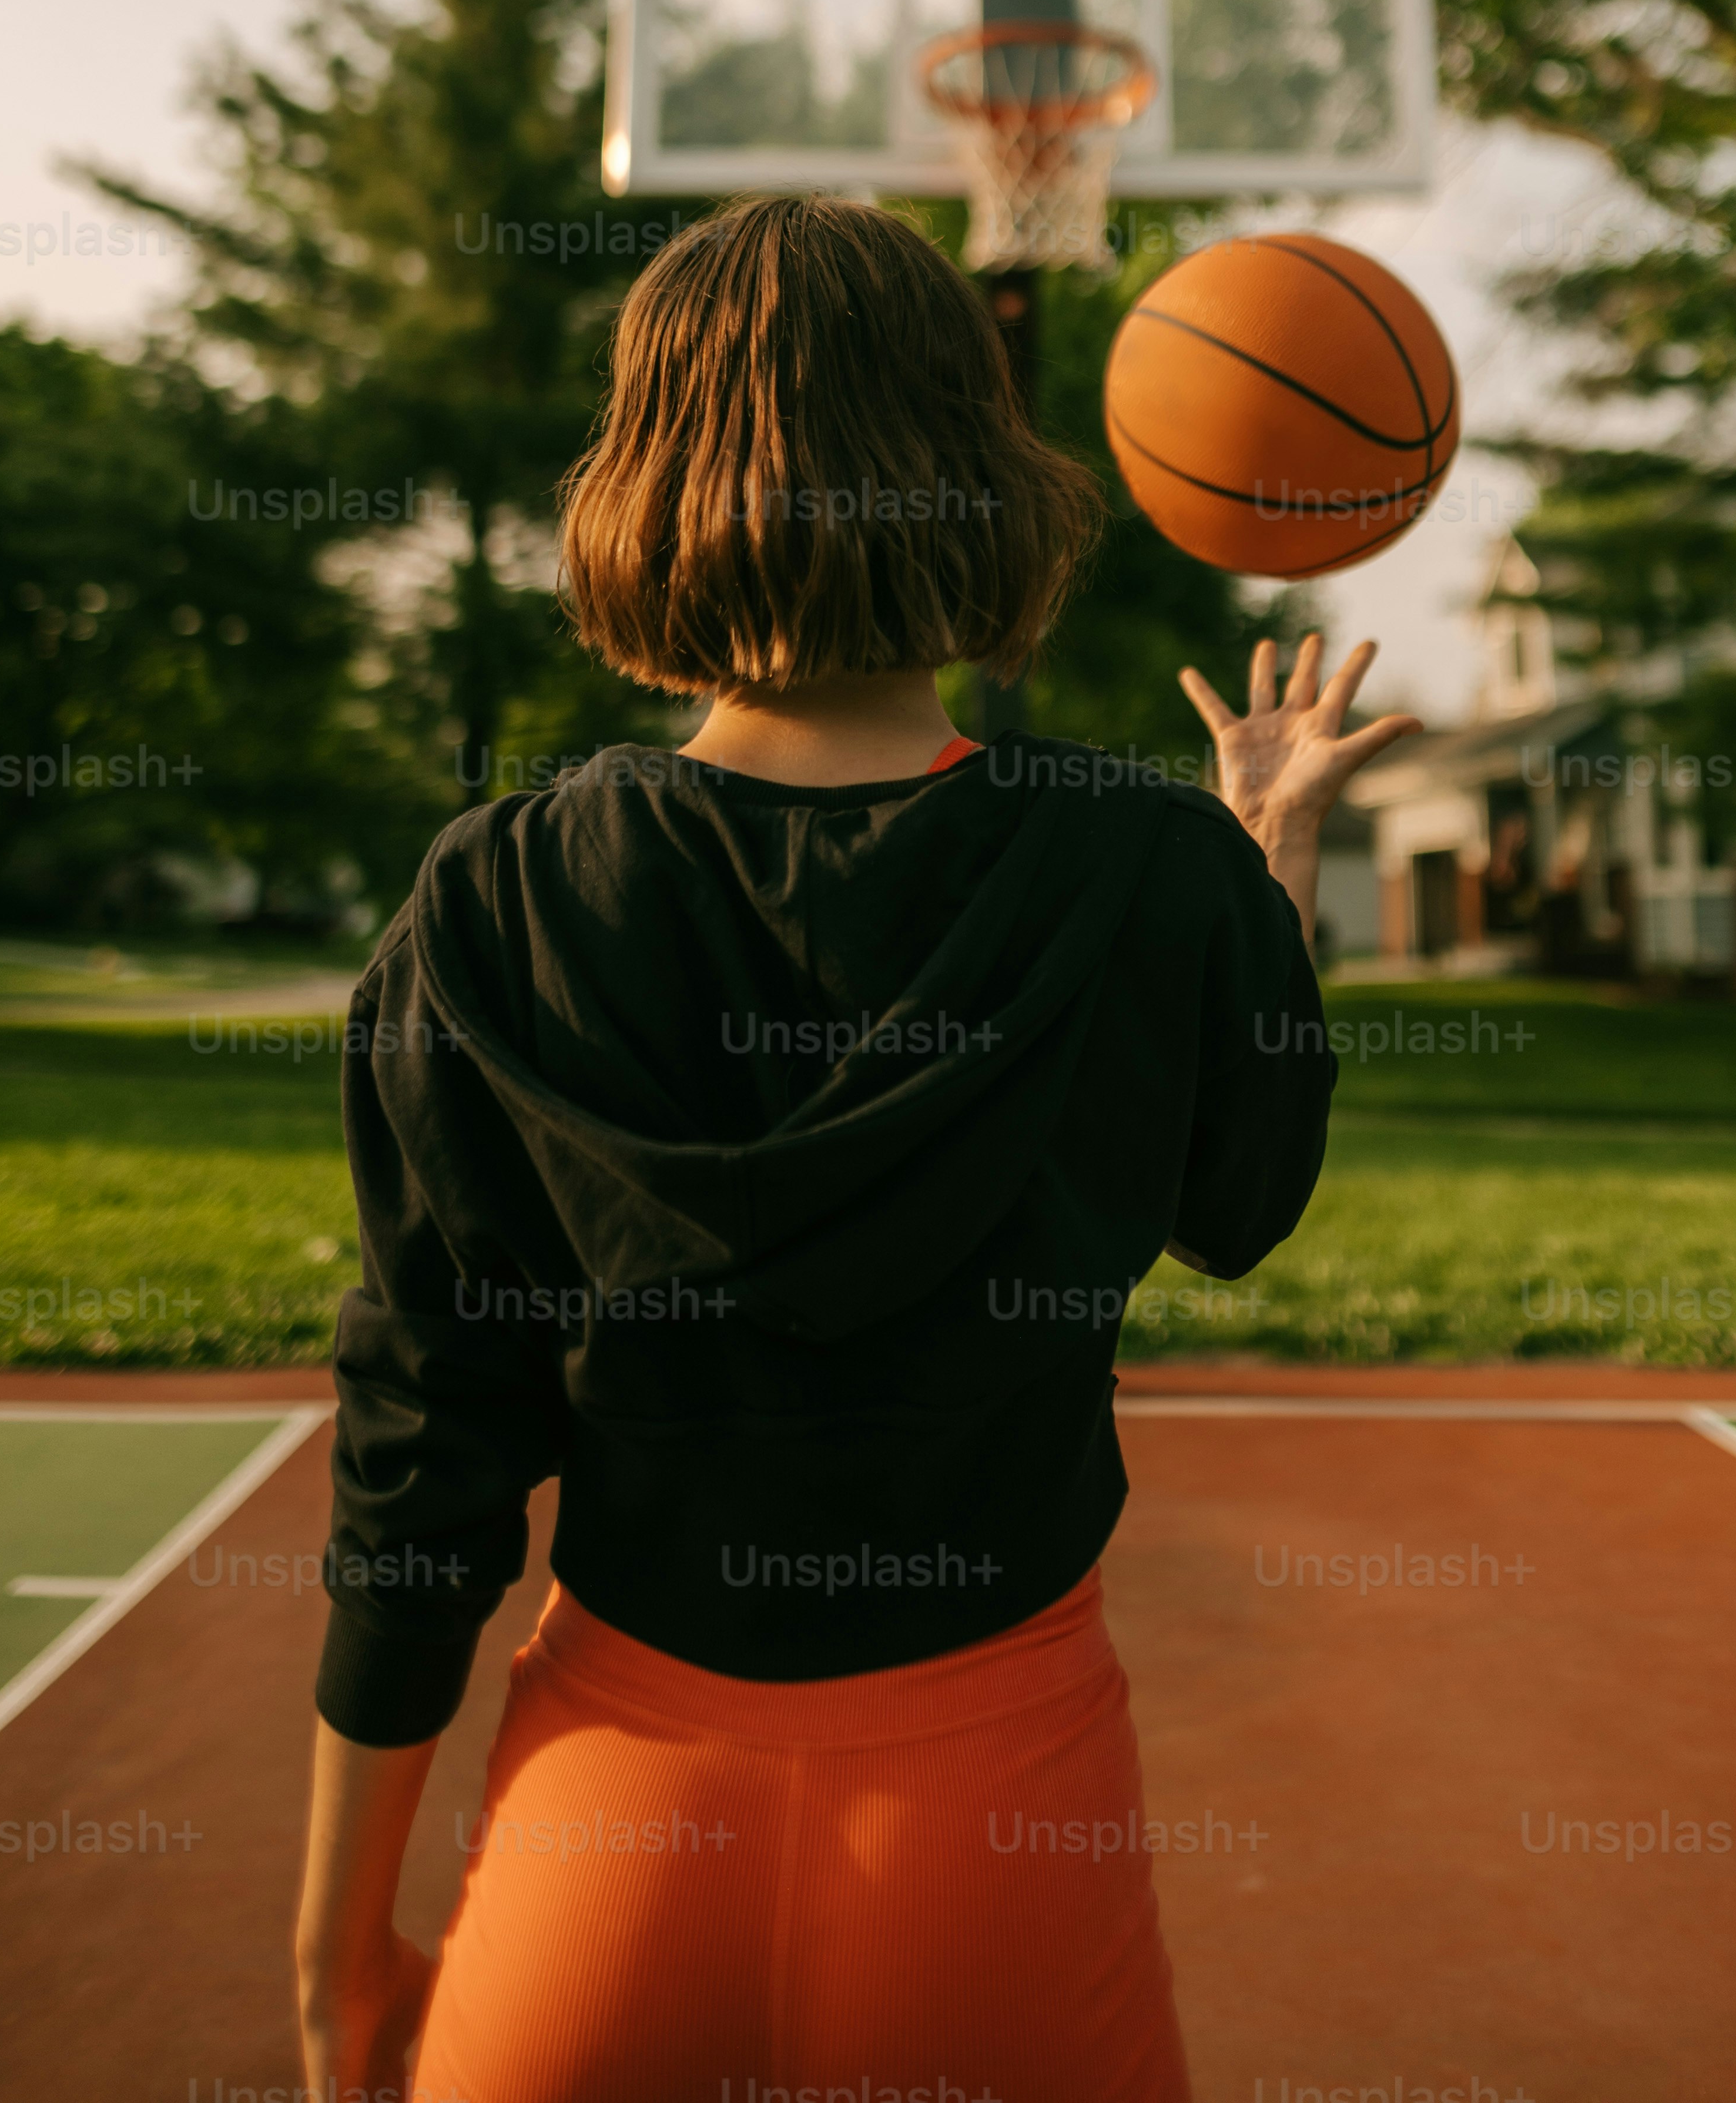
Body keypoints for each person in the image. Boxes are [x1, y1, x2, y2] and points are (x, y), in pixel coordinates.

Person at [292, 193, 1420, 2103]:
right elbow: (1237, 1205)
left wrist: (336, 1963)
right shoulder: (1143, 867)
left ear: (647, 479)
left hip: (613, 1835)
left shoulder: (494, 893)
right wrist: (1257, 878)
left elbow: (428, 1455)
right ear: (978, 471)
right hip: (1001, 1816)